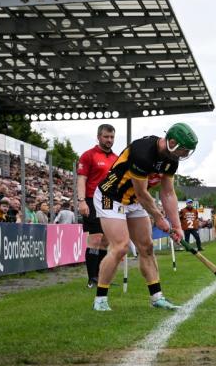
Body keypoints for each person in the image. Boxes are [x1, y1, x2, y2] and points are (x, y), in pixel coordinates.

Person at [93, 122, 197, 311]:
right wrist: (158, 217)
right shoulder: (143, 152)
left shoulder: (171, 160)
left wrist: (177, 226)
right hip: (111, 197)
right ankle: (100, 299)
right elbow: (142, 193)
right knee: (121, 247)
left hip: (134, 201)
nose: (183, 154)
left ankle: (157, 298)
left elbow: (168, 193)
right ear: (172, 141)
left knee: (147, 247)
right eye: (182, 150)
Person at [77, 124, 117, 287]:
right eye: (106, 137)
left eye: (112, 137)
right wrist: (81, 201)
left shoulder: (116, 158)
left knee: (106, 240)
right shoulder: (89, 155)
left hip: (109, 201)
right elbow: (82, 179)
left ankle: (101, 277)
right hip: (92, 200)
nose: (109, 140)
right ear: (99, 137)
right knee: (95, 238)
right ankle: (91, 278)